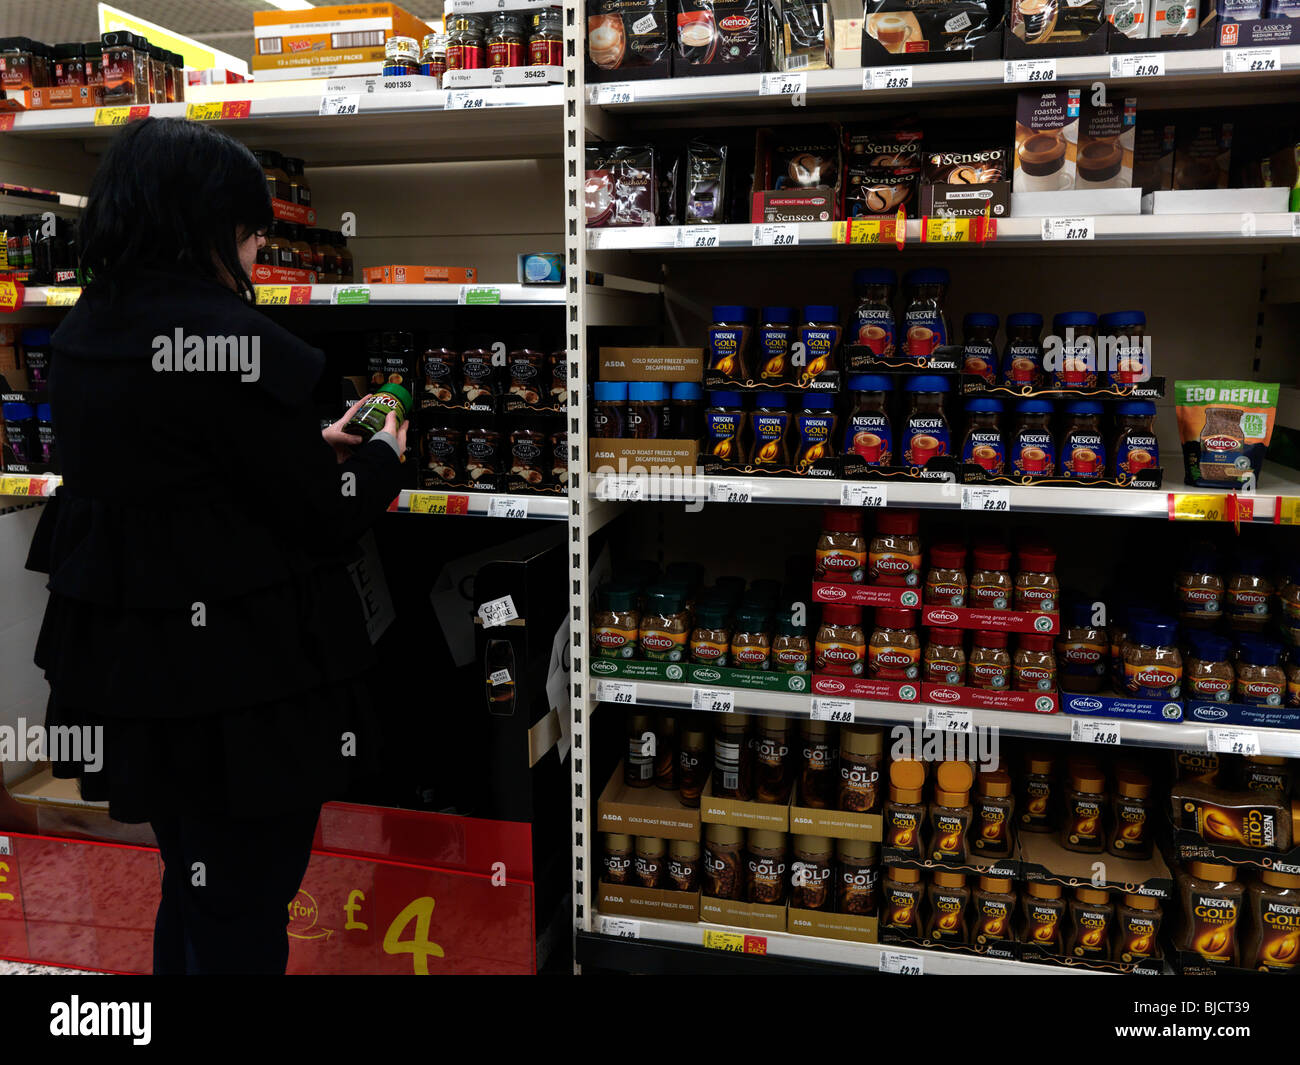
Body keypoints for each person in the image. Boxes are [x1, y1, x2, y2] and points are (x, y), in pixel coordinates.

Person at [24, 118, 407, 975]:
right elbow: (320, 514)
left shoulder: (84, 334)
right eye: (248, 224)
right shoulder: (234, 343)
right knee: (244, 904)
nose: (259, 240)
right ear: (204, 222)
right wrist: (382, 456)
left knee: (193, 885)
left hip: (138, 682)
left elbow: (187, 472)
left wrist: (304, 446)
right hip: (244, 690)